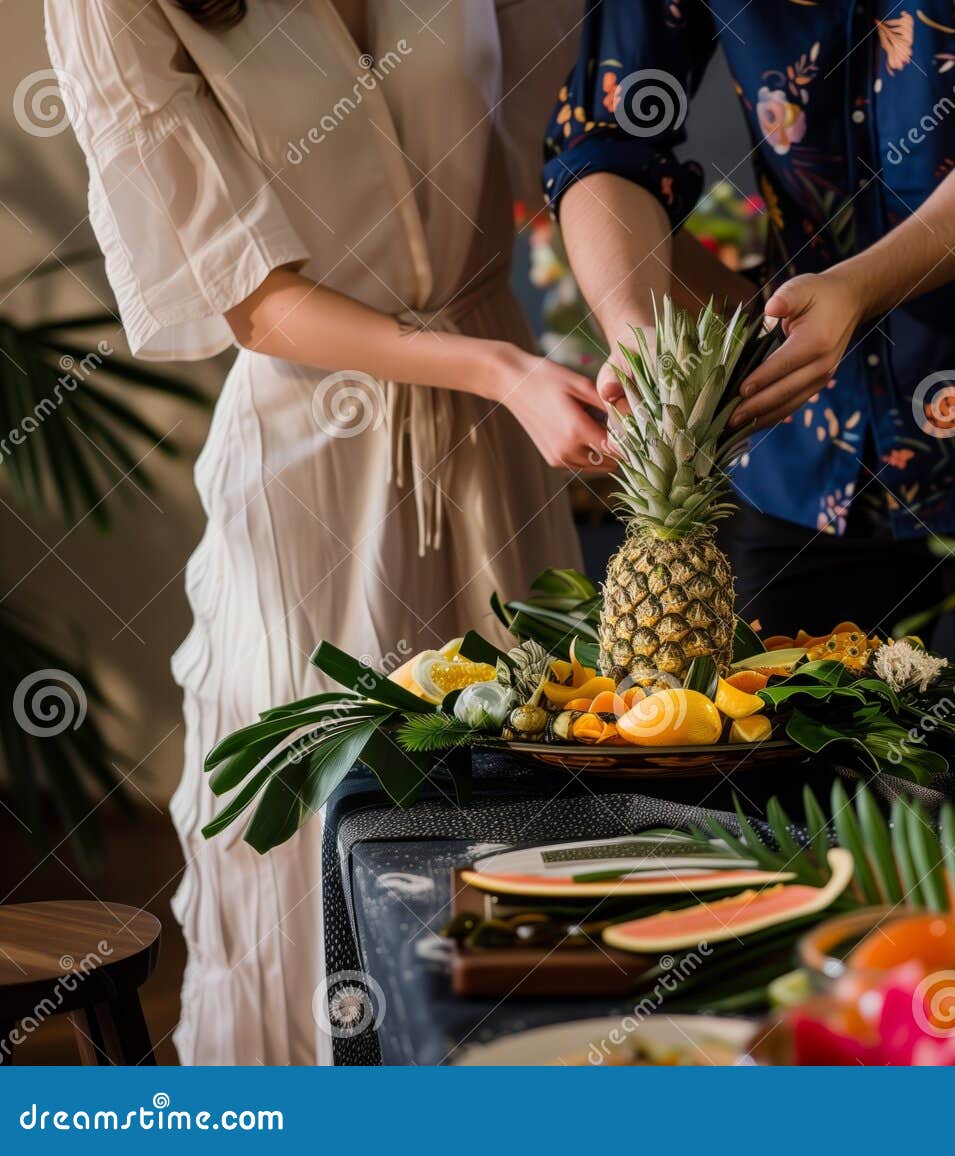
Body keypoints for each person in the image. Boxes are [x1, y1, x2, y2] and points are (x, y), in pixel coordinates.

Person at [43, 0, 607, 1065]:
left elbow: (581, 141)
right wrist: (496, 370)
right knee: (305, 854)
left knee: (535, 815)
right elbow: (250, 297)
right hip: (316, 455)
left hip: (502, 443)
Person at [544, 0, 955, 679]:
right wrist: (633, 326)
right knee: (759, 761)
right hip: (798, 446)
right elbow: (605, 137)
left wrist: (859, 290)